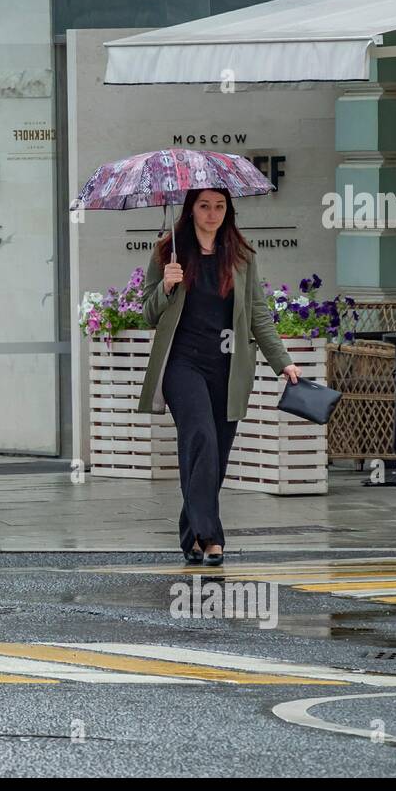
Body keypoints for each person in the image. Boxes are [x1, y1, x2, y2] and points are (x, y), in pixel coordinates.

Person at [135, 188, 302, 567]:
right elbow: (148, 314)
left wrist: (283, 362)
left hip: (228, 366)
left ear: (228, 211)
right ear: (190, 210)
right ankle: (211, 537)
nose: (212, 213)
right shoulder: (168, 253)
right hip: (182, 365)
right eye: (204, 206)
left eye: (219, 207)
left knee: (215, 456)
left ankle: (190, 533)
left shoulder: (241, 257)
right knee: (201, 439)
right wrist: (166, 285)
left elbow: (258, 314)